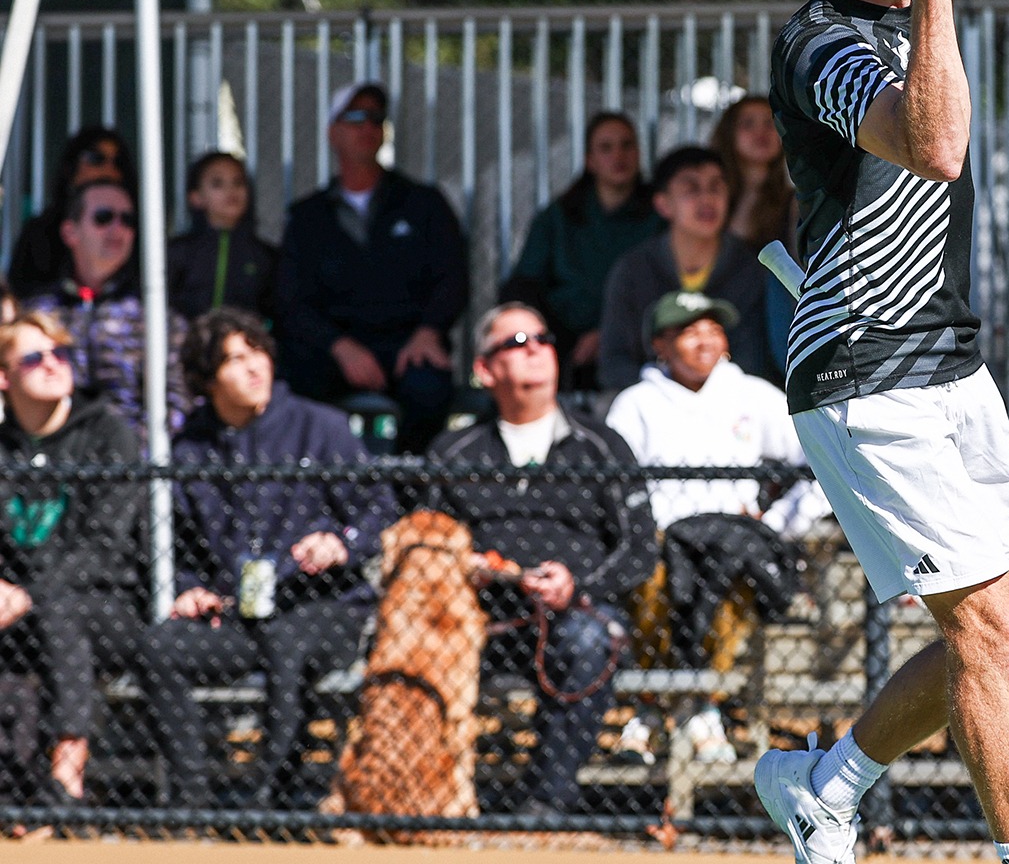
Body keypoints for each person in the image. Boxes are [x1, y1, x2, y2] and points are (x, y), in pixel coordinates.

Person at [755, 0, 1009, 864]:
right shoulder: (816, 42)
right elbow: (933, 145)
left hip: (953, 364)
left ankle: (824, 787)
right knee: (985, 634)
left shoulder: (927, 23)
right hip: (861, 367)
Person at [140, 307, 398, 809]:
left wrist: (340, 544)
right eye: (234, 359)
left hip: (327, 607)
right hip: (239, 615)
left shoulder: (320, 426)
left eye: (257, 351)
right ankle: (192, 804)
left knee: (288, 643)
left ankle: (273, 800)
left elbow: (380, 512)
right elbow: (178, 542)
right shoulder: (189, 448)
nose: (254, 366)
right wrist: (190, 587)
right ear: (207, 379)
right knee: (158, 649)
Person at [426, 302, 654, 816]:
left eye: (543, 340)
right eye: (517, 342)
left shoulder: (602, 446)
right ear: (484, 369)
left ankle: (546, 801)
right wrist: (463, 568)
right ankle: (432, 797)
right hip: (477, 619)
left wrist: (579, 586)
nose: (535, 351)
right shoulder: (454, 450)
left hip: (575, 614)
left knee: (589, 640)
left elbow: (639, 548)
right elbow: (426, 543)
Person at [606, 291, 828, 669]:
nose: (705, 341)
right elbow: (614, 488)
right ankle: (652, 694)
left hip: (733, 544)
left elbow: (821, 460)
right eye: (690, 332)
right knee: (650, 594)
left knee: (730, 595)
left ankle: (711, 696)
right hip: (662, 546)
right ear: (660, 344)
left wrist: (775, 525)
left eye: (713, 329)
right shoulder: (635, 404)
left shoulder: (753, 394)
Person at [277, 81, 469, 454]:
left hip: (408, 346)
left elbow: (453, 278)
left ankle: (408, 484)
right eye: (355, 117)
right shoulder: (306, 217)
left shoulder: (424, 204)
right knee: (291, 390)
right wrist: (338, 346)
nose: (367, 127)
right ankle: (318, 482)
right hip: (331, 351)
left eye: (376, 118)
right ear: (332, 132)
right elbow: (291, 300)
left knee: (430, 388)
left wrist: (428, 332)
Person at [0, 312, 144, 803]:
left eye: (61, 353)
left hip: (107, 606)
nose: (52, 364)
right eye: (34, 357)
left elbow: (106, 546)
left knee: (59, 613)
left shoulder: (108, 434)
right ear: (4, 377)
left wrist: (28, 594)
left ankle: (67, 779)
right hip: (18, 608)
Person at [500, 111, 662, 391]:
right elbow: (524, 285)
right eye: (606, 148)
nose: (618, 156)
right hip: (565, 348)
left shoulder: (661, 215)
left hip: (642, 343)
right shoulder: (558, 216)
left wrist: (608, 335)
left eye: (627, 145)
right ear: (589, 160)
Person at [21, 179, 192, 439]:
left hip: (133, 458)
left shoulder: (158, 316)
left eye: (128, 220)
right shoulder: (37, 312)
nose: (117, 228)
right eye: (103, 217)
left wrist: (130, 454)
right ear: (70, 232)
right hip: (51, 456)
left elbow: (179, 401)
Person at [598, 145, 772, 389]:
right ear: (663, 204)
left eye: (715, 187)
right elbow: (613, 364)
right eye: (692, 189)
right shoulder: (633, 270)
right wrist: (669, 397)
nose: (707, 199)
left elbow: (755, 361)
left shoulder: (750, 268)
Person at [9, 127, 135, 300]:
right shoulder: (40, 232)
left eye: (118, 162)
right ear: (69, 231)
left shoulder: (138, 304)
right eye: (103, 217)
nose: (108, 168)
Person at [168, 152, 279, 323]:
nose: (231, 190)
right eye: (217, 183)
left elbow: (276, 313)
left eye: (238, 182)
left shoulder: (265, 256)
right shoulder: (177, 252)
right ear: (196, 197)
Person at [712, 96, 798, 251]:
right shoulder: (710, 197)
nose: (761, 132)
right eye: (748, 123)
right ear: (728, 133)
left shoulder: (794, 203)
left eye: (770, 123)